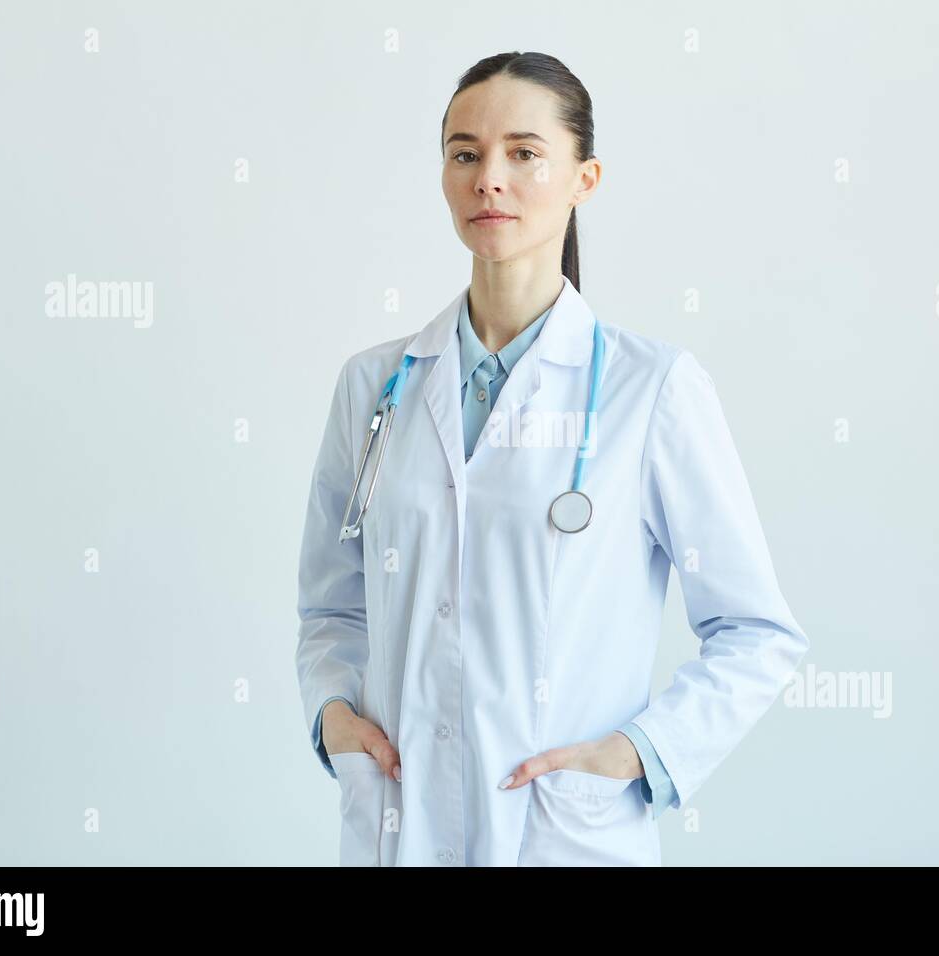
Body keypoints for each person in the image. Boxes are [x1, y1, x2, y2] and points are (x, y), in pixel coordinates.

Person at [295, 51, 809, 867]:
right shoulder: (374, 386)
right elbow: (331, 604)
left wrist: (639, 753)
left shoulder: (653, 390)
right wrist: (333, 715)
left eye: (524, 153)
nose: (488, 179)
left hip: (565, 837)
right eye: (465, 153)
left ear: (585, 178)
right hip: (398, 827)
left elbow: (756, 631)